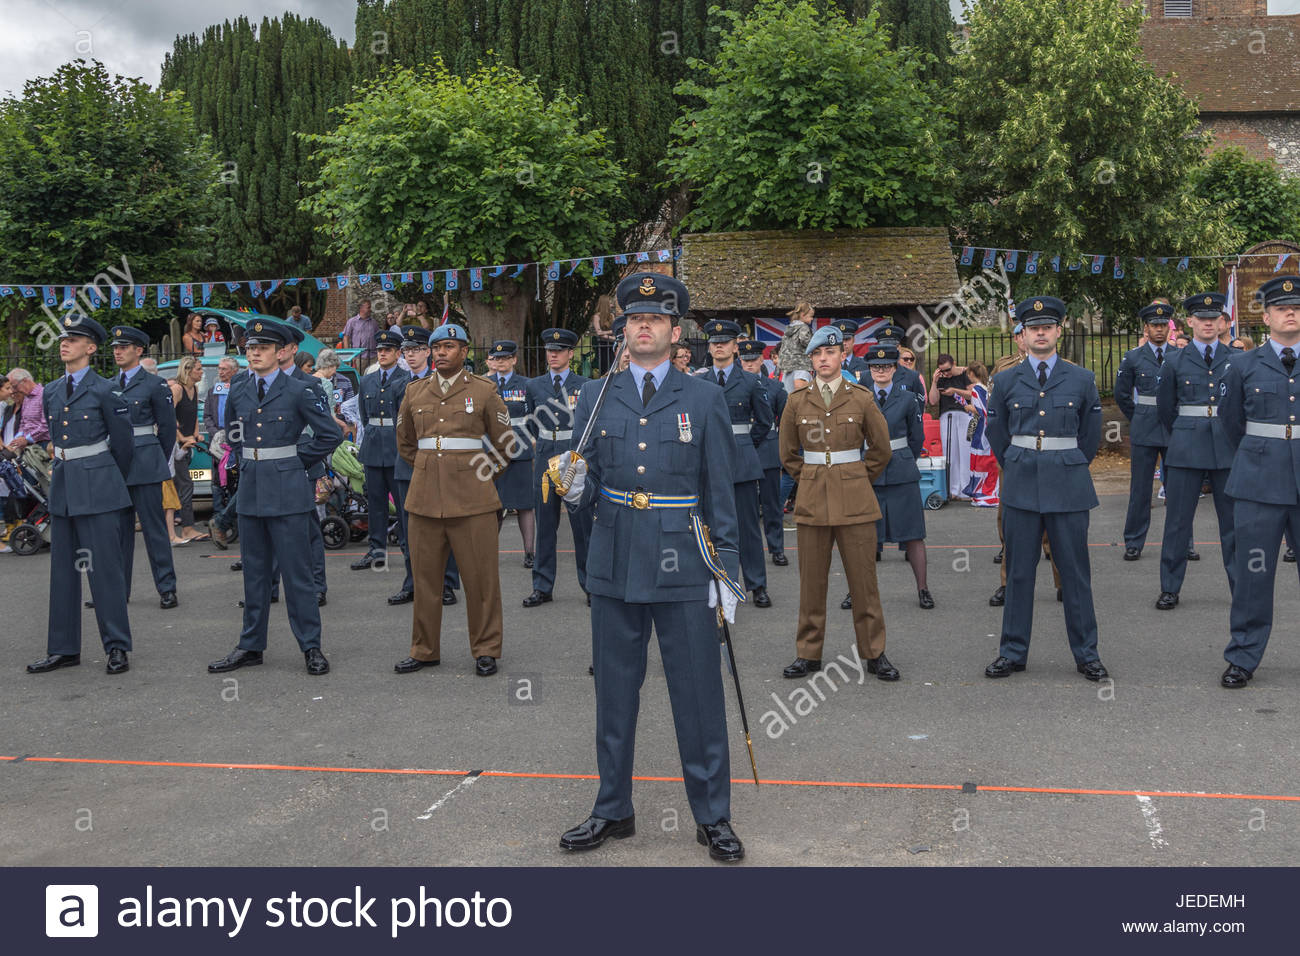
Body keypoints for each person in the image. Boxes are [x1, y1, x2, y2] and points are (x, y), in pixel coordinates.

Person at [556, 271, 746, 862]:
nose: (644, 326)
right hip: (614, 562)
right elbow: (585, 486)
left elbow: (722, 494)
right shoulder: (594, 395)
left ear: (673, 329)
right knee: (614, 695)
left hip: (685, 562)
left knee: (698, 695)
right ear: (622, 330)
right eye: (634, 319)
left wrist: (729, 574)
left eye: (656, 319)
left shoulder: (703, 397)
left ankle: (712, 817)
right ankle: (613, 809)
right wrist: (573, 487)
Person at [207, 320, 341, 676]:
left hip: (288, 491)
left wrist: (296, 459)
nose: (254, 353)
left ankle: (311, 646)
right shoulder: (238, 387)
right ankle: (251, 645)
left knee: (297, 576)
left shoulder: (298, 389)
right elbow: (234, 430)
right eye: (251, 347)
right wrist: (243, 454)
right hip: (251, 490)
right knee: (254, 574)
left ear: (281, 352)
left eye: (262, 347)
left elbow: (330, 434)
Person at [984, 297, 1107, 681]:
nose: (1040, 332)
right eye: (1032, 327)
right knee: (1019, 573)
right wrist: (1018, 463)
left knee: (1074, 572)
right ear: (1022, 334)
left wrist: (1066, 462)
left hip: (1068, 484)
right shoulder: (1005, 380)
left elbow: (1090, 436)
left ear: (1058, 330)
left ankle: (1087, 653)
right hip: (1021, 483)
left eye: (1046, 326)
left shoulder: (1081, 378)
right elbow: (996, 431)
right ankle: (1013, 652)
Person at [394, 322, 513, 677]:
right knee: (426, 579)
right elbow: (406, 443)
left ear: (464, 351)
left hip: (473, 501)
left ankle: (486, 648)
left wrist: (477, 475)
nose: (441, 352)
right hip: (425, 500)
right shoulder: (415, 392)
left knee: (481, 581)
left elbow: (506, 444)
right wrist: (432, 470)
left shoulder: (484, 390)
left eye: (449, 346)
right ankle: (424, 649)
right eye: (437, 347)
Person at [780, 324, 898, 682]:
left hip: (856, 502)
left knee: (864, 582)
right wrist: (813, 479)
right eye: (816, 354)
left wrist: (858, 478)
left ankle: (874, 653)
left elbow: (881, 449)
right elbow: (787, 454)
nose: (823, 359)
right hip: (813, 502)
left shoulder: (861, 397)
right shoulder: (796, 401)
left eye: (829, 353)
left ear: (842, 355)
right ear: (811, 360)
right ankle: (808, 653)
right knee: (811, 584)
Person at [27, 315, 135, 676]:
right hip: (64, 487)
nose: (64, 343)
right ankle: (63, 648)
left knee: (104, 572)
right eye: (63, 338)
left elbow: (123, 446)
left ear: (90, 348)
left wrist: (104, 478)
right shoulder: (53, 390)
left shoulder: (106, 390)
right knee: (63, 573)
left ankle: (117, 646)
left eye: (73, 339)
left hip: (99, 487)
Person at [1217, 275, 1300, 688]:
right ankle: (1243, 657)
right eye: (1282, 307)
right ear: (1265, 316)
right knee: (1254, 574)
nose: (1291, 312)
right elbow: (1232, 423)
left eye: (1297, 307)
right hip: (1257, 484)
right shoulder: (1243, 365)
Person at [1153, 293, 1238, 611]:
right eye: (1200, 317)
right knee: (1177, 522)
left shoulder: (1238, 359)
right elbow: (1165, 407)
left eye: (1213, 317)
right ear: (1189, 321)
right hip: (1186, 447)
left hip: (1227, 448)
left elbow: (1242, 407)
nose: (1207, 322)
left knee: (1233, 523)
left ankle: (1240, 586)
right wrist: (1185, 432)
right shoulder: (1174, 360)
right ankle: (1170, 587)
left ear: (1221, 322)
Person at [703, 319, 774, 607]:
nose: (719, 346)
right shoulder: (699, 382)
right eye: (714, 342)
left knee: (747, 528)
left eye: (725, 342)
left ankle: (757, 585)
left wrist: (744, 446)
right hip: (708, 464)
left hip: (742, 463)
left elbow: (765, 421)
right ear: (709, 348)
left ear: (735, 347)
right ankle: (715, 582)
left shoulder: (750, 381)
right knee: (710, 527)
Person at [389, 325, 461, 607]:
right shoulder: (399, 386)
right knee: (410, 532)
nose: (411, 355)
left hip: (441, 464)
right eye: (407, 350)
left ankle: (446, 583)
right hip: (409, 467)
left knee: (446, 527)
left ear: (428, 353)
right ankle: (413, 583)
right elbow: (400, 434)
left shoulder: (442, 383)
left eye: (417, 349)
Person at [108, 326, 178, 609]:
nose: (117, 351)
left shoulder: (154, 385)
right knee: (117, 534)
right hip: (116, 467)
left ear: (138, 351)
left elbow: (168, 431)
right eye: (115, 347)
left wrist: (154, 458)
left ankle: (167, 588)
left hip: (146, 463)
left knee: (155, 530)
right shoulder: (108, 384)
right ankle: (118, 590)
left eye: (124, 347)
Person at [523, 328, 592, 608]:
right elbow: (530, 422)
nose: (553, 354)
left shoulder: (584, 385)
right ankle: (542, 586)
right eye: (549, 350)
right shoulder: (534, 386)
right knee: (546, 524)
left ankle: (590, 585)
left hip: (572, 460)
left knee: (581, 527)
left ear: (570, 354)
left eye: (559, 350)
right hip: (544, 460)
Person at [865, 343, 934, 608]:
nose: (881, 371)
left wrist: (904, 458)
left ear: (895, 368)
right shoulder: (860, 397)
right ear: (869, 370)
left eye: (886, 366)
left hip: (901, 470)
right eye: (875, 367)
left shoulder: (907, 398)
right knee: (865, 537)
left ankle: (923, 589)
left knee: (914, 534)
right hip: (870, 471)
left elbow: (917, 437)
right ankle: (858, 591)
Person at [1115, 303, 1176, 561]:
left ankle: (1184, 542)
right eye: (1154, 325)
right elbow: (1121, 394)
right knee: (1140, 490)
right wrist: (1138, 416)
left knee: (1178, 490)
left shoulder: (1179, 356)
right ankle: (1134, 541)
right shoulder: (1133, 357)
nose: (1159, 329)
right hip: (1145, 427)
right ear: (1146, 328)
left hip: (1174, 428)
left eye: (1163, 325)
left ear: (1168, 328)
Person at [351, 330, 409, 575]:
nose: (382, 354)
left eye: (388, 350)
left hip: (397, 446)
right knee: (375, 504)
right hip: (374, 447)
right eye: (380, 350)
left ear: (398, 353)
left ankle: (409, 549)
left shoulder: (406, 379)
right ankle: (376, 552)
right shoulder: (367, 380)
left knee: (404, 503)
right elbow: (365, 416)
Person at [485, 340, 536, 567]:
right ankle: (487, 553)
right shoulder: (484, 385)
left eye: (505, 358)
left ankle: (529, 552)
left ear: (514, 360)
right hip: (491, 452)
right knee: (493, 505)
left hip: (520, 449)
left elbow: (535, 416)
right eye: (496, 358)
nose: (501, 362)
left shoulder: (527, 385)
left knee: (525, 504)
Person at [739, 339, 788, 566]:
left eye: (753, 360)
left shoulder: (775, 388)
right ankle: (742, 547)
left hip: (767, 445)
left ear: (761, 360)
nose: (749, 365)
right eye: (745, 360)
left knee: (771, 503)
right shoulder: (733, 385)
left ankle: (776, 547)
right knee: (743, 503)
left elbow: (784, 421)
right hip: (741, 446)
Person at [168, 356, 206, 543]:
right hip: (176, 446)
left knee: (179, 485)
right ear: (188, 370)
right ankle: (187, 528)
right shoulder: (177, 389)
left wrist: (196, 434)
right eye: (198, 369)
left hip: (188, 444)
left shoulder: (195, 389)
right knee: (185, 485)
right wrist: (182, 438)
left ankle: (179, 525)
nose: (201, 372)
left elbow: (194, 416)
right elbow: (168, 417)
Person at [956, 361, 1000, 508]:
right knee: (983, 461)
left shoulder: (977, 390)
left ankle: (984, 493)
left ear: (971, 374)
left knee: (982, 461)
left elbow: (982, 411)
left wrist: (969, 407)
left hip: (982, 431)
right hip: (983, 429)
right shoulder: (986, 389)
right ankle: (983, 492)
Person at [929, 353, 972, 499]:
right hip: (947, 415)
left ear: (954, 364)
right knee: (950, 452)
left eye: (948, 370)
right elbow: (933, 400)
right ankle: (952, 489)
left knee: (966, 451)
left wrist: (954, 391)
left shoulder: (964, 373)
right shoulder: (940, 379)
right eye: (942, 371)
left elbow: (973, 394)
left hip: (965, 413)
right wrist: (934, 382)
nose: (946, 374)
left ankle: (966, 488)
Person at [3, 367, 49, 454]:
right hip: (27, 446)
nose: (13, 391)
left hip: (42, 446)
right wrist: (18, 438)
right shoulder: (27, 397)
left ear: (25, 381)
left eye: (14, 386)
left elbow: (46, 425)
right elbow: (23, 423)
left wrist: (26, 439)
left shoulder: (44, 395)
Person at [777, 301, 814, 394]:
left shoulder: (789, 329)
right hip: (801, 364)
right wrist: (814, 347)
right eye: (810, 316)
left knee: (788, 393)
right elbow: (804, 340)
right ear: (802, 315)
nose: (812, 318)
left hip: (787, 366)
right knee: (801, 394)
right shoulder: (804, 327)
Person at [342, 299, 381, 369]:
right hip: (358, 357)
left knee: (373, 377)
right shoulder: (352, 322)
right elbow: (346, 338)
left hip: (373, 356)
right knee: (360, 378)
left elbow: (378, 338)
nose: (370, 309)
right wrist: (349, 355)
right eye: (368, 307)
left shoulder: (373, 322)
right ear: (361, 308)